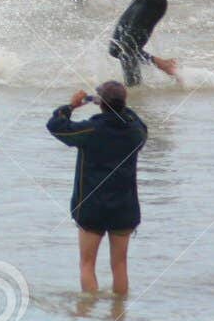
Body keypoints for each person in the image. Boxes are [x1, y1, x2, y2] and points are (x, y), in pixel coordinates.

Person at [48, 80, 146, 296]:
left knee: (87, 263)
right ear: (124, 102)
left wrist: (70, 106)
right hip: (124, 207)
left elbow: (56, 126)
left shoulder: (91, 130)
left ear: (100, 103)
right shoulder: (135, 133)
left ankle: (90, 311)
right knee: (120, 265)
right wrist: (119, 105)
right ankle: (118, 314)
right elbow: (140, 123)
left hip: (92, 206)